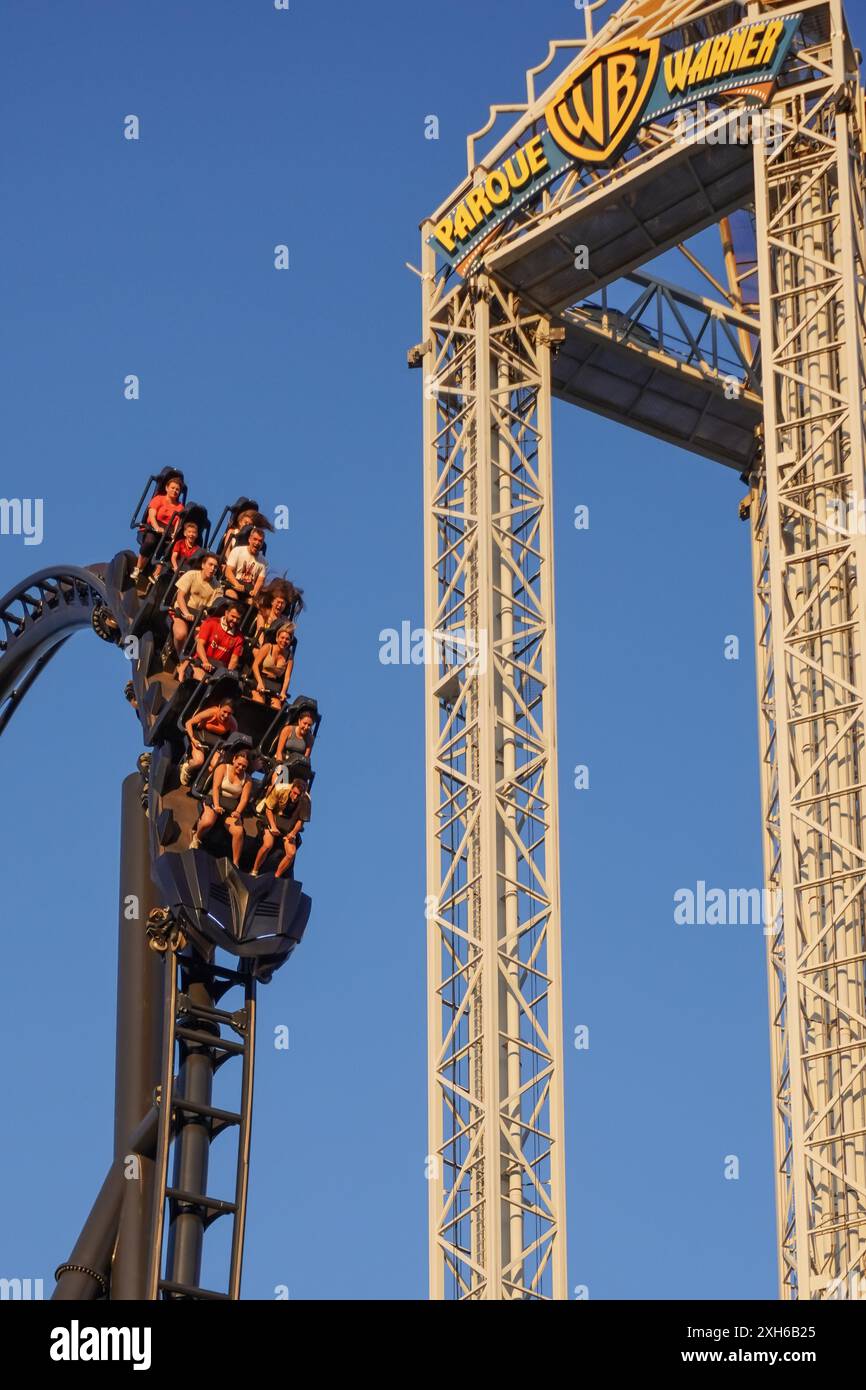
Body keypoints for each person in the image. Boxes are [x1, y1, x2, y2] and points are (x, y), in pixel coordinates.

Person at [190, 749, 253, 866]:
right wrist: (217, 805)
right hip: (215, 800)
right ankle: (196, 837)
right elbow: (216, 787)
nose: (240, 768)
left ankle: (235, 862)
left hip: (230, 808)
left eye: (244, 766)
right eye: (239, 764)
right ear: (234, 759)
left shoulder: (247, 779)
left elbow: (244, 799)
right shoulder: (223, 768)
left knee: (238, 831)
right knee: (208, 821)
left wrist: (238, 812)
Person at [251, 777, 310, 878]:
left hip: (289, 825)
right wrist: (273, 827)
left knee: (291, 853)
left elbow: (301, 821)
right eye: (294, 793)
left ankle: (276, 876)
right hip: (273, 818)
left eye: (298, 795)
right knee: (268, 844)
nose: (295, 797)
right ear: (292, 788)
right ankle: (254, 870)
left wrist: (292, 834)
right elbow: (269, 809)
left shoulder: (306, 800)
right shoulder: (280, 789)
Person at [130, 472, 185, 583]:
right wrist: (156, 527)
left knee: (170, 548)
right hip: (153, 527)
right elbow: (152, 514)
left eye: (177, 490)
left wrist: (174, 534)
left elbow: (178, 523)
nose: (175, 491)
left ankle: (156, 574)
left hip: (167, 532)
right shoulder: (159, 499)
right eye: (173, 488)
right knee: (150, 541)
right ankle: (138, 567)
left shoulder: (180, 507)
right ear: (166, 488)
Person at [171, 553, 222, 659]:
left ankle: (194, 664)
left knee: (202, 642)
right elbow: (180, 597)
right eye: (210, 565)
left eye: (215, 567)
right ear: (203, 565)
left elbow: (212, 610)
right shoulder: (191, 575)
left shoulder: (217, 587)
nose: (212, 569)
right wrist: (186, 613)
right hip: (183, 611)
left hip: (200, 617)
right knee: (180, 634)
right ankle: (181, 657)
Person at [180, 601, 245, 682]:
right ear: (226, 613)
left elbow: (234, 659)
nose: (235, 620)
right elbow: (200, 645)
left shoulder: (240, 637)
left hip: (219, 669)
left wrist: (227, 674)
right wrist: (205, 661)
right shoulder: (211, 622)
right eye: (233, 616)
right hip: (201, 662)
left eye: (238, 619)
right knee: (205, 680)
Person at [179, 698, 238, 786]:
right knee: (199, 761)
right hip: (200, 738)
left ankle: (200, 783)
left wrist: (225, 749)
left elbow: (233, 740)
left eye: (229, 714)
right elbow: (189, 723)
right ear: (219, 707)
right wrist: (193, 739)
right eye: (224, 711)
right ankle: (187, 768)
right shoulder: (212, 712)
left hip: (215, 744)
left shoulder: (232, 723)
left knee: (215, 765)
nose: (226, 715)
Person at [250, 623, 294, 707]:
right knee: (259, 702)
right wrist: (259, 682)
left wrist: (283, 692)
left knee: (276, 707)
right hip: (261, 679)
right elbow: (255, 665)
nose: (284, 641)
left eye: (287, 639)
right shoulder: (268, 647)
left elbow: (287, 678)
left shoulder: (290, 657)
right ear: (277, 638)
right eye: (282, 638)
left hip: (275, 685)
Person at [224, 527, 267, 602]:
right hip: (233, 585)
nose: (257, 543)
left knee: (252, 603)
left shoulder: (263, 562)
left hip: (248, 591)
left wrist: (255, 591)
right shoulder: (237, 551)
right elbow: (228, 572)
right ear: (249, 539)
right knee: (232, 596)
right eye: (255, 539)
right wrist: (236, 584)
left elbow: (260, 581)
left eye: (260, 541)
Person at [273, 707, 315, 778]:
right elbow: (279, 751)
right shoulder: (288, 730)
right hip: (281, 759)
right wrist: (280, 765)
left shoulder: (310, 739)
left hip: (295, 764)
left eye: (309, 725)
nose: (306, 727)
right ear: (299, 721)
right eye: (304, 723)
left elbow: (305, 759)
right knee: (282, 775)